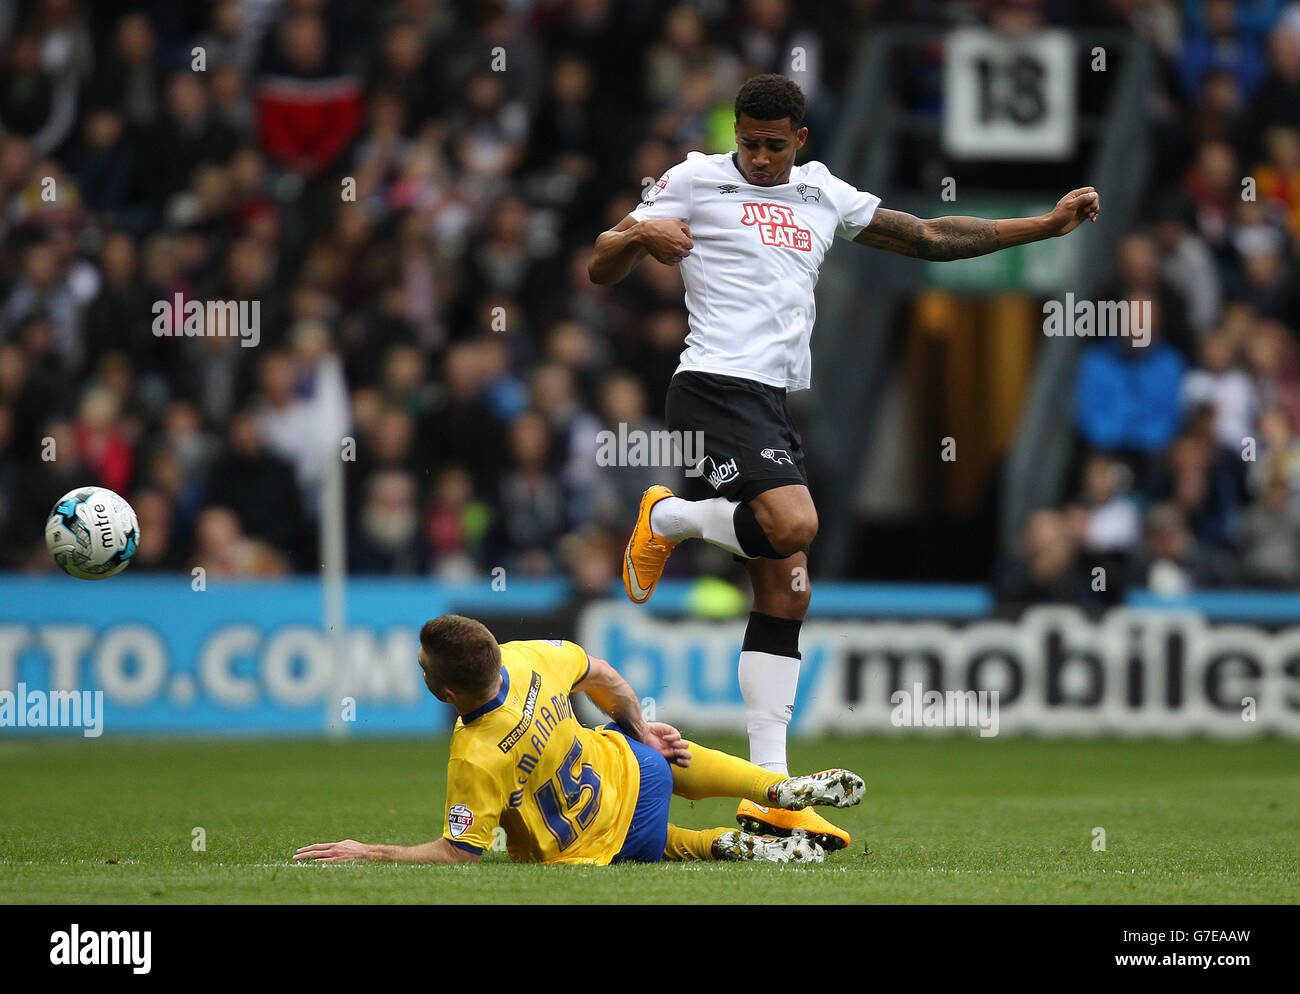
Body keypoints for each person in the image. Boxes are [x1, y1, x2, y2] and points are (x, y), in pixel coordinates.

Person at [587, 73, 1101, 849]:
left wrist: (1046, 226)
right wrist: (637, 237)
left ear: (800, 140)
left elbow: (929, 236)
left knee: (788, 589)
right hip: (714, 387)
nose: (756, 158)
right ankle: (670, 517)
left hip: (775, 403)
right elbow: (599, 263)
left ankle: (772, 795)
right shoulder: (693, 177)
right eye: (746, 142)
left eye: (771, 145)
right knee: (793, 524)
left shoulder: (824, 193)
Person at [294, 614, 864, 866]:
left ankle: (732, 844)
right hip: (638, 768)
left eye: (423, 666)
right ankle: (780, 787)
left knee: (667, 843)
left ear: (443, 690)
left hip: (606, 841)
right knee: (638, 745)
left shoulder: (475, 755)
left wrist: (366, 851)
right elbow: (605, 676)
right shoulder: (528, 658)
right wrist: (642, 732)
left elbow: (458, 851)